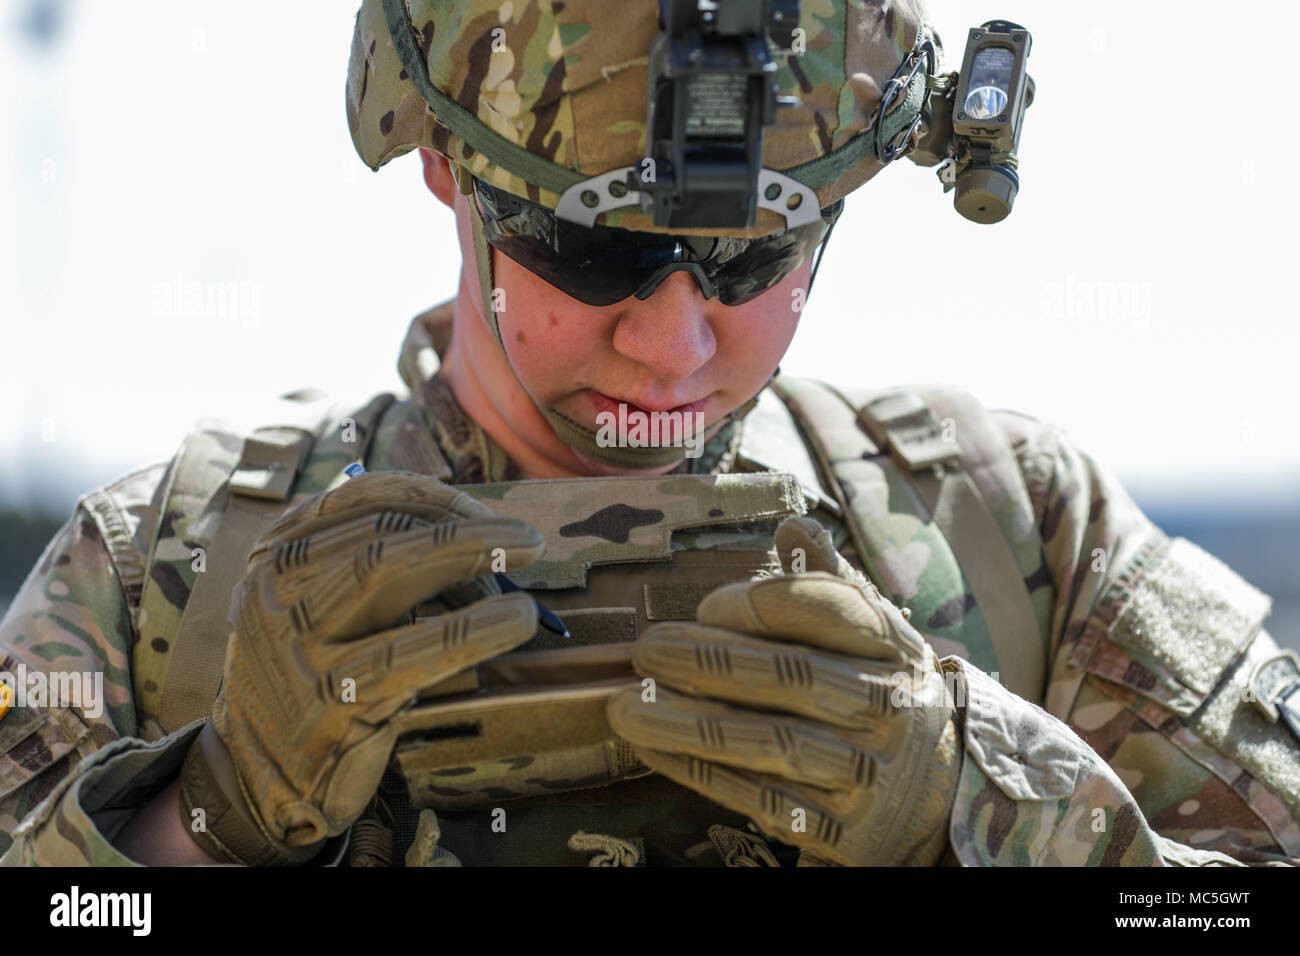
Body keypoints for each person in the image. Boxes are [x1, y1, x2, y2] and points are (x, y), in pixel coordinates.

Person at [1, 0, 1297, 868]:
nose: (672, 346)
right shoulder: (161, 571)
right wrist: (202, 812)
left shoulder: (1017, 532)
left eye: (756, 262)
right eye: (597, 250)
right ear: (451, 171)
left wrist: (985, 805)